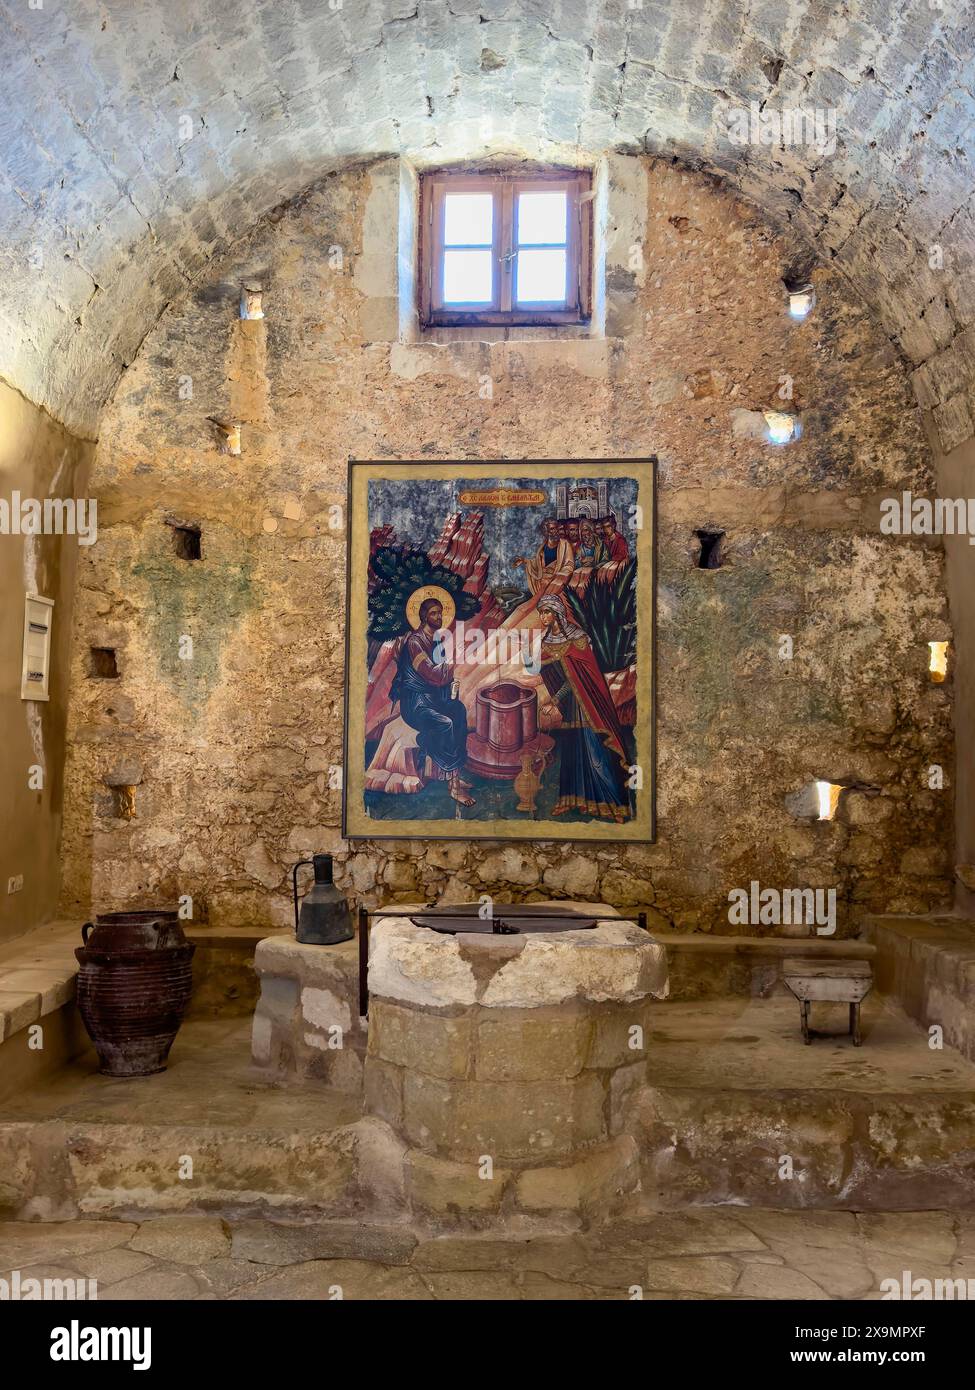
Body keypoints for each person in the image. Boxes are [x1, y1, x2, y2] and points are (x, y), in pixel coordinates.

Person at [536, 594, 632, 823]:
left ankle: (614, 804)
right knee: (571, 754)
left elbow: (579, 679)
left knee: (595, 754)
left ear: (557, 613)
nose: (543, 617)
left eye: (547, 612)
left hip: (588, 706)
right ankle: (569, 800)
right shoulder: (547, 641)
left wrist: (555, 700)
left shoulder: (578, 639)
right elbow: (555, 674)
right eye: (541, 612)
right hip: (572, 707)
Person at [391, 597, 474, 807]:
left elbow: (441, 676)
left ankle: (456, 776)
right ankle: (452, 785)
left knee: (459, 711)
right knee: (445, 723)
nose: (439, 617)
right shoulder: (415, 642)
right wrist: (455, 660)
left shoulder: (435, 640)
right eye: (434, 613)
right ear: (424, 616)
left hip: (434, 699)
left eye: (440, 612)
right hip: (416, 704)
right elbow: (433, 675)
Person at [513, 519, 574, 597]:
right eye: (552, 529)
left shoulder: (565, 544)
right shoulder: (543, 547)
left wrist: (557, 576)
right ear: (546, 532)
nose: (555, 531)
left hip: (556, 581)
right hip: (542, 581)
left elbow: (570, 565)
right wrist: (525, 561)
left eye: (556, 528)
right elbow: (539, 564)